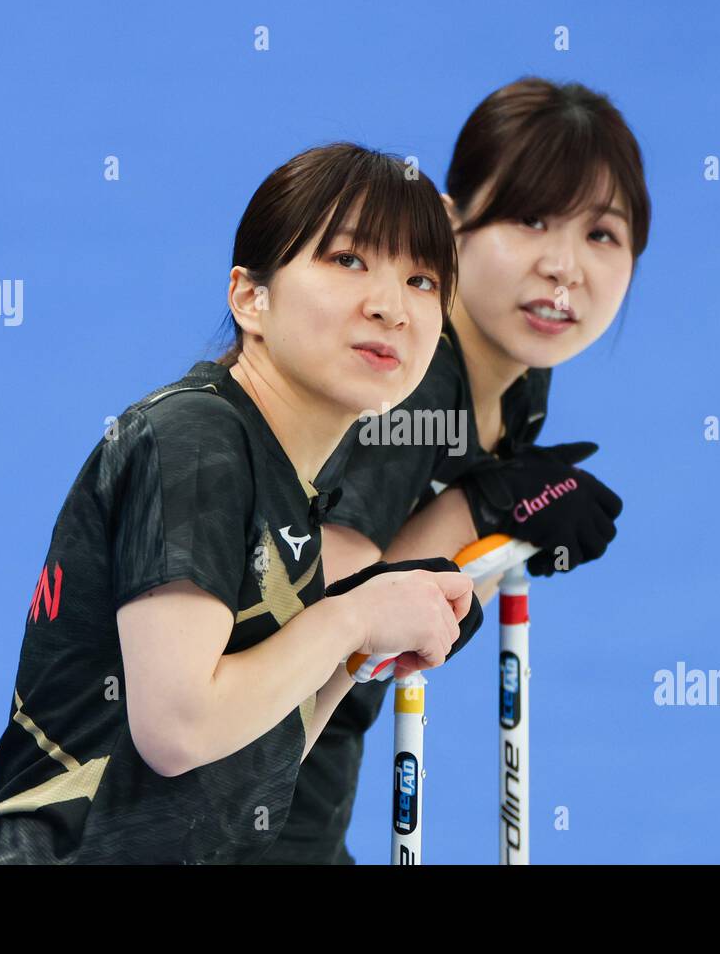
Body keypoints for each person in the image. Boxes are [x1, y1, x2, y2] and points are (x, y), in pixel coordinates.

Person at [0, 142, 483, 865]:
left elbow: (253, 754)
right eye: (348, 261)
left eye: (423, 279)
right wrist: (354, 615)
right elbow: (180, 729)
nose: (390, 306)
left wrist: (361, 644)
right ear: (250, 297)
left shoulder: (291, 480)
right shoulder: (196, 441)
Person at [261, 77, 652, 864]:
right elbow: (318, 620)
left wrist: (497, 519)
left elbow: (422, 614)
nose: (563, 267)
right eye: (531, 218)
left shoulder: (519, 373)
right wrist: (485, 510)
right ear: (451, 223)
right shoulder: (410, 373)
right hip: (232, 791)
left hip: (307, 794)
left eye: (602, 235)